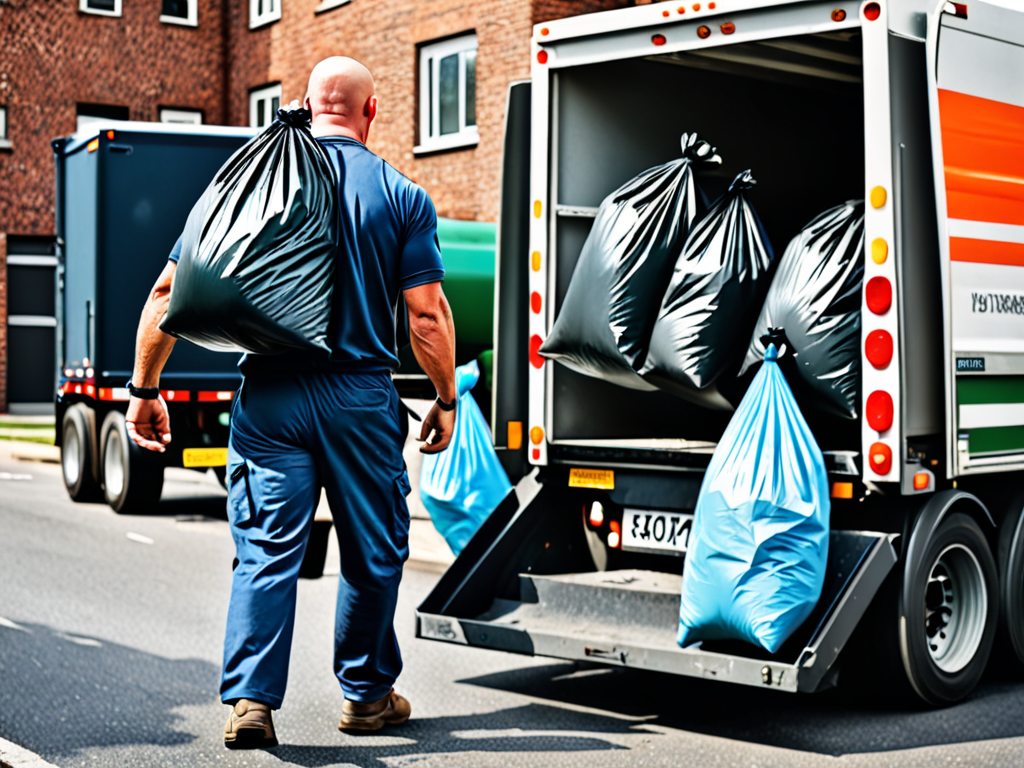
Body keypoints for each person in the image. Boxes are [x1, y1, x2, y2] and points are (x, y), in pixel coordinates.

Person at [123, 57, 457, 749]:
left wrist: (146, 390)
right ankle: (366, 696)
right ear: (372, 112)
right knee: (372, 551)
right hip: (360, 397)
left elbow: (165, 296)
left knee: (266, 550)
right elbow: (425, 317)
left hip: (271, 395)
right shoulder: (400, 194)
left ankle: (251, 702)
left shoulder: (247, 186)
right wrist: (446, 398)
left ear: (304, 106)